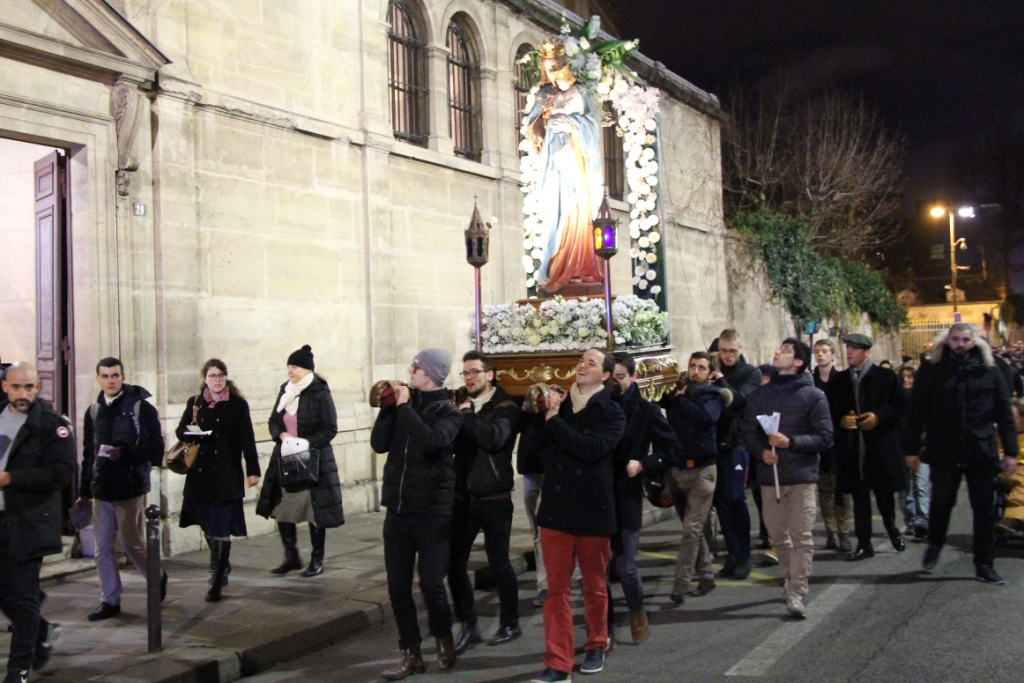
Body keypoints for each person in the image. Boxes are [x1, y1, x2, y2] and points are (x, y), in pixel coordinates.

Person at [519, 348, 625, 682]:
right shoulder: (558, 404)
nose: (582, 366)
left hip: (593, 509)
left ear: (605, 375)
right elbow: (534, 451)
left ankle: (596, 643)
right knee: (556, 591)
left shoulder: (612, 412)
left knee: (594, 587)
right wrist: (538, 415)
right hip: (556, 510)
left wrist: (554, 423)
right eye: (580, 361)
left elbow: (591, 449)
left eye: (590, 363)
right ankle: (558, 663)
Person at [371, 349, 464, 680]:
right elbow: (380, 444)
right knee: (397, 586)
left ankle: (443, 638)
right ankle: (411, 652)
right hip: (398, 508)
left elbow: (430, 441)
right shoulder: (401, 406)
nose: (410, 370)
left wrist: (404, 407)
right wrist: (387, 409)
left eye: (417, 367)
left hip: (432, 512)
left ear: (432, 375)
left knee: (430, 583)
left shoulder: (449, 411)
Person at [904, 324, 1018, 584]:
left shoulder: (989, 368)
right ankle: (934, 544)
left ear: (973, 341)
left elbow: (1004, 411)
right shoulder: (933, 370)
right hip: (945, 448)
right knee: (942, 502)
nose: (960, 344)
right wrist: (911, 450)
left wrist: (1010, 451)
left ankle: (984, 563)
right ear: (947, 341)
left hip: (980, 448)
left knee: (984, 509)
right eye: (955, 339)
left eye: (965, 339)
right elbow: (917, 412)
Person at [743, 339, 832, 619]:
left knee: (802, 537)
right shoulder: (761, 395)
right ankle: (790, 577)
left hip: (802, 477)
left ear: (798, 362)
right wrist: (761, 452)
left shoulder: (814, 396)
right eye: (779, 348)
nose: (778, 351)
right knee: (778, 537)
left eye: (786, 350)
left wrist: (790, 442)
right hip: (771, 478)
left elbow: (824, 437)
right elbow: (749, 431)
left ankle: (797, 591)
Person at [0, 363, 75, 683]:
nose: (24, 394)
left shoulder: (52, 425)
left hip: (28, 521)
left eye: (30, 387)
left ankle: (17, 670)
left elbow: (61, 474)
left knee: (24, 596)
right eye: (17, 387)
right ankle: (42, 630)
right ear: (5, 387)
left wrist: (10, 478)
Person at [78, 358, 165, 621]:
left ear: (123, 376)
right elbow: (88, 453)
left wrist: (125, 454)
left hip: (129, 486)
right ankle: (110, 600)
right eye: (105, 376)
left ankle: (156, 577)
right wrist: (84, 488)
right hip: (101, 487)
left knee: (131, 543)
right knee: (102, 547)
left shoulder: (141, 407)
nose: (111, 380)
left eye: (115, 375)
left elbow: (156, 448)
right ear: (98, 379)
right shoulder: (94, 411)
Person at [447, 351, 521, 654]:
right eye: (465, 373)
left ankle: (510, 622)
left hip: (494, 496)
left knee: (500, 562)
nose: (468, 378)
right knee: (453, 563)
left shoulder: (506, 406)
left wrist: (466, 415)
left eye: (474, 372)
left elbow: (493, 439)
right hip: (463, 496)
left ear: (489, 374)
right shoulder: (460, 405)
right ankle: (468, 624)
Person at [607, 352, 683, 645]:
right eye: (610, 378)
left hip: (626, 494)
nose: (615, 383)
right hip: (599, 494)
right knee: (600, 567)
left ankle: (637, 613)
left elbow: (672, 450)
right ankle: (607, 627)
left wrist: (643, 464)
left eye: (621, 378)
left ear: (633, 377)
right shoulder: (598, 406)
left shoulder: (647, 411)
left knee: (625, 564)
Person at [174, 359, 261, 602]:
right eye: (212, 376)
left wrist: (253, 470)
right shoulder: (195, 403)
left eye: (221, 375)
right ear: (205, 378)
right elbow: (180, 430)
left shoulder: (237, 404)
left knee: (221, 527)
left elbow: (248, 438)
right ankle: (222, 564)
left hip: (226, 474)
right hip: (200, 476)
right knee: (207, 525)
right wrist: (192, 432)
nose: (217, 379)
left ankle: (215, 578)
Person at [524, 37, 604, 293]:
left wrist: (572, 126)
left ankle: (579, 264)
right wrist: (536, 128)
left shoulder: (578, 93)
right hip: (551, 163)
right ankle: (555, 266)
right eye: (546, 69)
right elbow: (533, 121)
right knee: (552, 212)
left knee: (576, 207)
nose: (550, 73)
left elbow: (591, 125)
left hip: (573, 161)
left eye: (554, 67)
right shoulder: (543, 95)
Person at [257, 346, 344, 577]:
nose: (290, 371)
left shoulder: (320, 393)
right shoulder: (285, 390)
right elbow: (274, 421)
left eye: (294, 367)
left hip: (312, 459)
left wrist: (305, 443)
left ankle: (317, 559)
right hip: (285, 458)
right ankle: (291, 556)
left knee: (315, 511)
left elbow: (330, 429)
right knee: (281, 507)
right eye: (288, 366)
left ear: (307, 370)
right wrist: (282, 435)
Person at [828, 334, 908, 561]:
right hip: (853, 450)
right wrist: (841, 422)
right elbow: (831, 412)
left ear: (866, 352)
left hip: (880, 448)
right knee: (860, 499)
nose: (849, 352)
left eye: (854, 348)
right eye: (848, 348)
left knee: (884, 496)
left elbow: (901, 406)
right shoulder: (839, 381)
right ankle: (864, 544)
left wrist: (878, 417)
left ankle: (892, 529)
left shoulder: (885, 377)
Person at [661, 351, 729, 604]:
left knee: (691, 529)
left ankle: (681, 583)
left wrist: (681, 399)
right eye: (692, 366)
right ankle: (707, 575)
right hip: (678, 470)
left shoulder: (713, 395)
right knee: (694, 529)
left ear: (710, 372)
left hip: (703, 471)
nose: (696, 371)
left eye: (702, 367)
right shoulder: (677, 393)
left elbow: (706, 418)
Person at [712, 330, 761, 580]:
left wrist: (720, 379)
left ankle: (744, 555)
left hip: (738, 445)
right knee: (721, 502)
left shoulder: (751, 373)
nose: (728, 355)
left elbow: (739, 400)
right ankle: (731, 554)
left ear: (740, 349)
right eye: (723, 351)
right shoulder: (712, 368)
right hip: (716, 445)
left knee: (734, 498)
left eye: (732, 351)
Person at [812, 339, 853, 552]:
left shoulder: (842, 380)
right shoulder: (810, 381)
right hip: (819, 444)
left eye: (825, 351)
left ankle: (844, 532)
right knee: (824, 490)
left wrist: (835, 435)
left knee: (841, 490)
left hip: (839, 443)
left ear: (833, 355)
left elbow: (846, 411)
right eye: (817, 351)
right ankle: (831, 533)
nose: (820, 355)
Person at [896, 364, 929, 539]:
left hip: (920, 448)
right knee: (904, 487)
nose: (907, 381)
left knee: (920, 485)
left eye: (910, 377)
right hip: (900, 449)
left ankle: (922, 519)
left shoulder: (923, 399)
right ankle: (910, 519)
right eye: (903, 377)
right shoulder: (895, 400)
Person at [995, 397, 1024, 536]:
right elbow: (998, 453)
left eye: (1014, 417)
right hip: (1013, 469)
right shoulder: (1003, 435)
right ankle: (1013, 518)